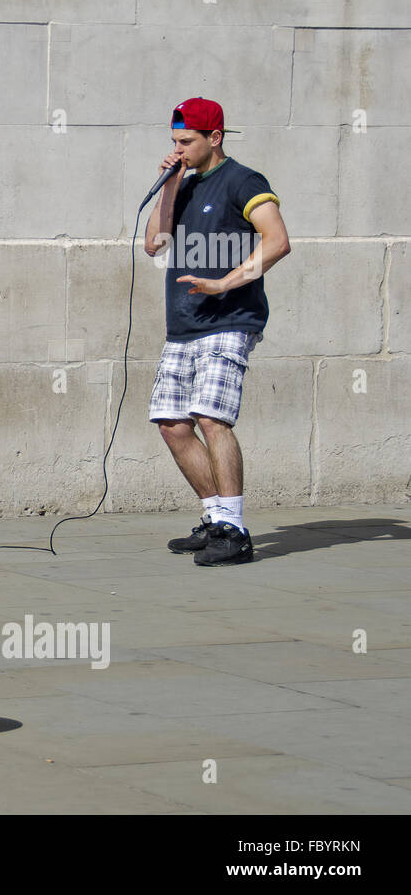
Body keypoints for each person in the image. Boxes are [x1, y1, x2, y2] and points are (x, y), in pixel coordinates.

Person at [143, 98, 291, 566]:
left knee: (211, 418)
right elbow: (154, 244)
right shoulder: (182, 184)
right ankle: (215, 519)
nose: (179, 150)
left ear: (215, 137)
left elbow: (278, 240)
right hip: (184, 323)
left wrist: (226, 281)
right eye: (174, 143)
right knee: (172, 424)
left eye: (187, 142)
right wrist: (170, 184)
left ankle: (235, 530)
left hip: (230, 319)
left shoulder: (243, 180)